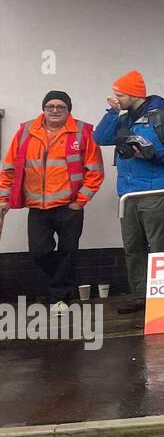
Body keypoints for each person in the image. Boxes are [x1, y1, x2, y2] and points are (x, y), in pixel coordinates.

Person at [92, 71, 164, 315]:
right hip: (128, 194)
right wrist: (112, 112)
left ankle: (163, 302)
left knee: (159, 248)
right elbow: (100, 138)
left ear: (133, 94)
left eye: (119, 95)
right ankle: (139, 297)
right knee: (133, 248)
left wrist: (151, 154)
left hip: (156, 193)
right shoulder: (124, 118)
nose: (114, 98)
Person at [0, 91, 104, 310]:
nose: (55, 110)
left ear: (69, 109)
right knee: (39, 252)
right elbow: (9, 169)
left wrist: (80, 201)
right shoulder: (26, 131)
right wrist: (4, 198)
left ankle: (59, 297)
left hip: (70, 206)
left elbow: (94, 171)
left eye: (61, 107)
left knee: (68, 251)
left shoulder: (82, 132)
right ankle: (65, 284)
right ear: (43, 108)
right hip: (38, 207)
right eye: (50, 106)